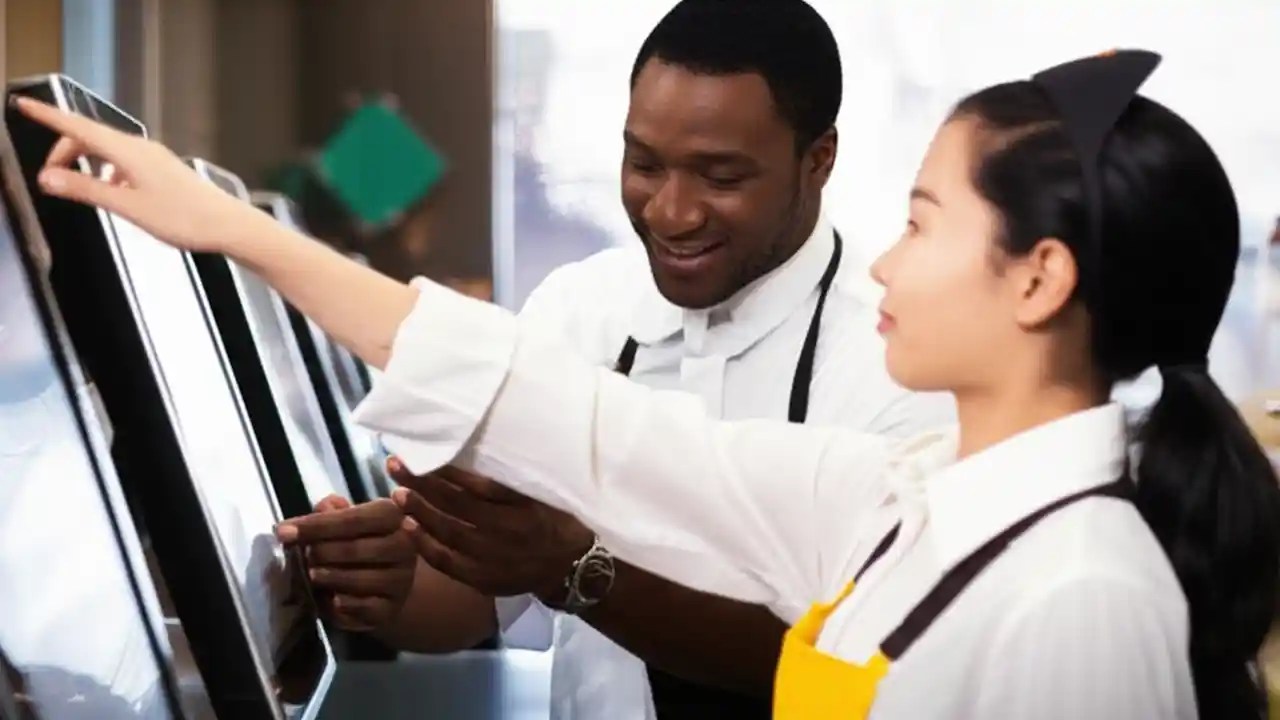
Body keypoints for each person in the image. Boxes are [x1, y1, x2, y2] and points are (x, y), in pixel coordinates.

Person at [16, 47, 1280, 719]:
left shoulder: (1080, 595)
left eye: (922, 221)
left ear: (1036, 278)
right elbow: (584, 424)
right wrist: (237, 234)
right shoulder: (903, 498)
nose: (889, 257)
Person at [269, 2, 952, 718]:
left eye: (720, 176)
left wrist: (576, 571)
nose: (669, 212)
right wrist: (388, 582)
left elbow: (864, 669)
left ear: (819, 160)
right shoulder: (577, 309)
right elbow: (477, 600)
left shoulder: (899, 356)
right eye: (644, 164)